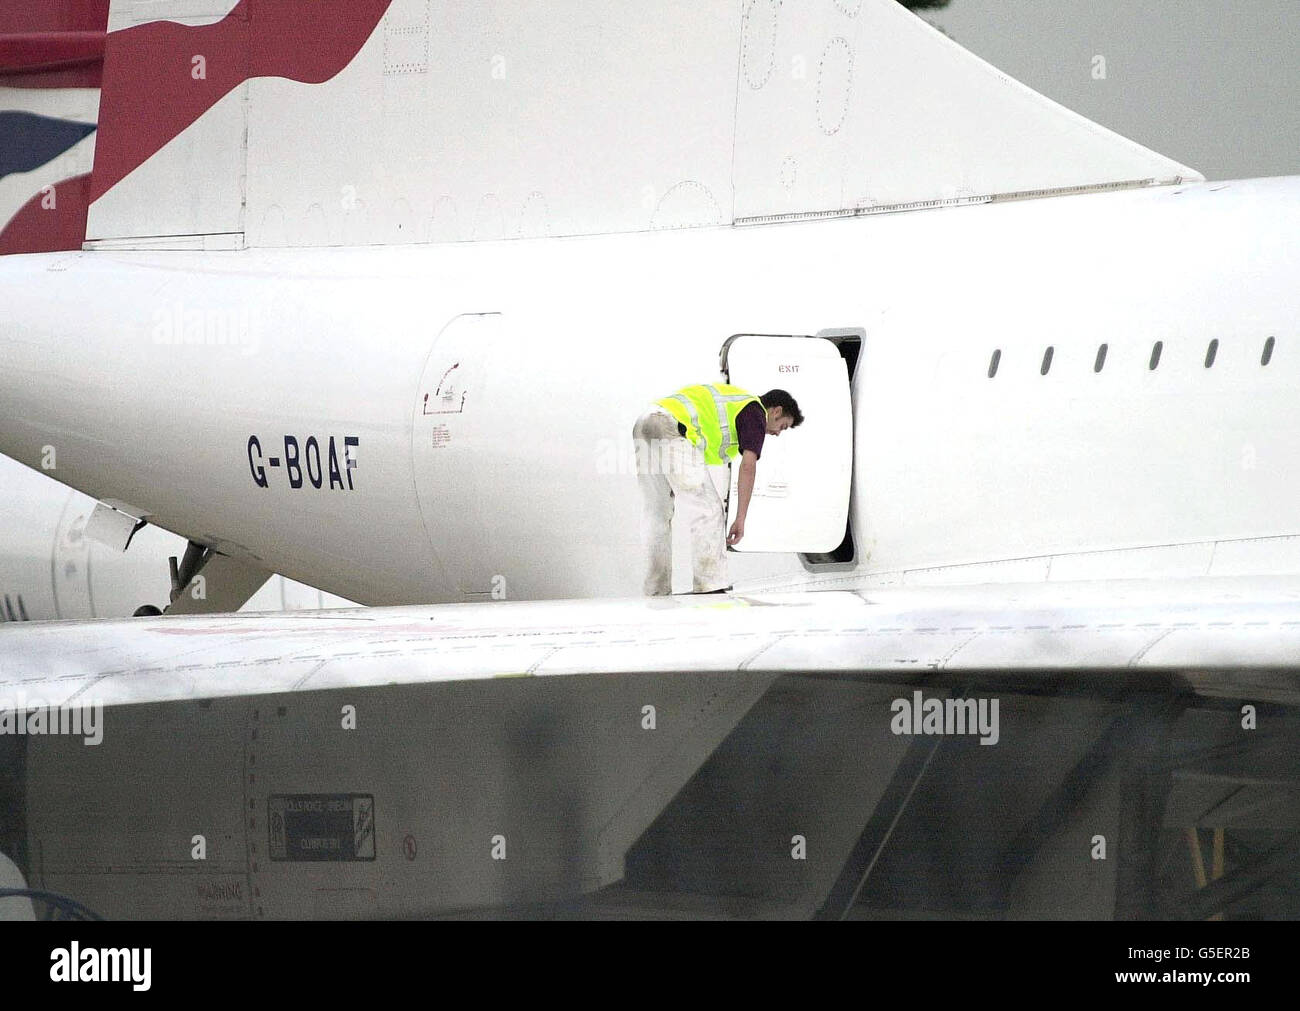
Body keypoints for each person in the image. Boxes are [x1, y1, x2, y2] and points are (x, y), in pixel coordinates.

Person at [633, 384, 803, 595]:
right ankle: (710, 586)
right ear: (776, 411)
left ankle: (655, 591)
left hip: (645, 423)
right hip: (670, 426)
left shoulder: (736, 403)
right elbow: (748, 467)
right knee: (709, 510)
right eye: (783, 426)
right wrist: (740, 518)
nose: (777, 433)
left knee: (656, 514)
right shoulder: (754, 410)